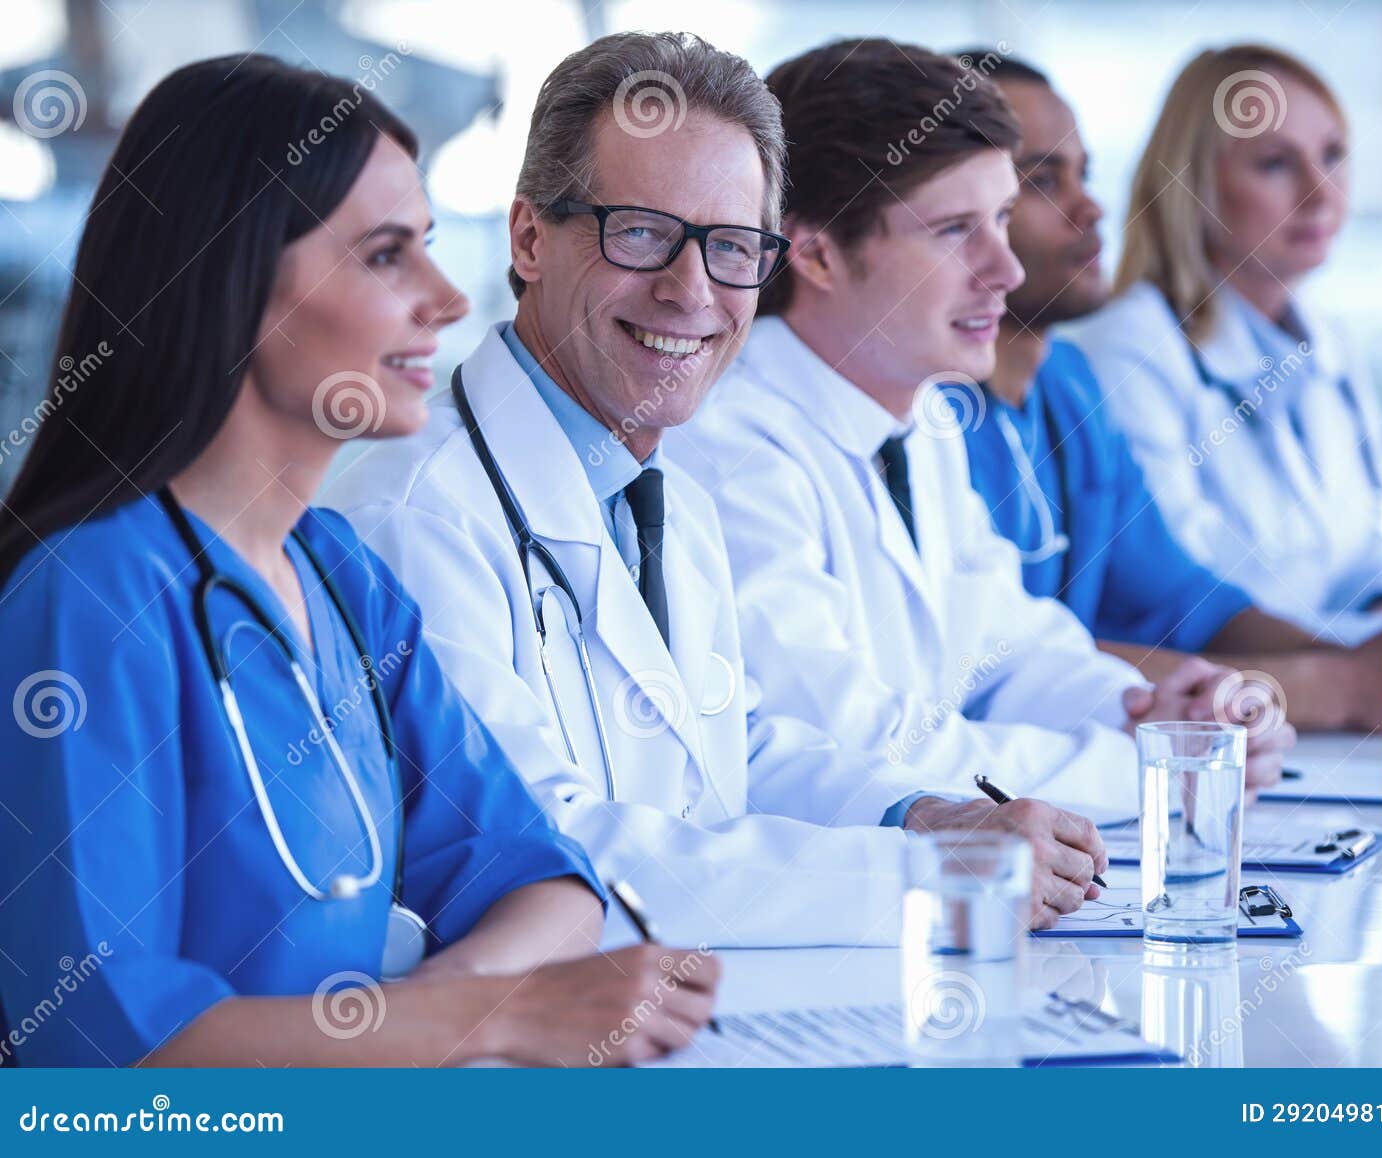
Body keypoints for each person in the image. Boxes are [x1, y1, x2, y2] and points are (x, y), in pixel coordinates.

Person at [0, 55, 716, 1068]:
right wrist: (488, 1017)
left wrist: (431, 1012)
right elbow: (97, 1043)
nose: (446, 299)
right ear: (231, 273)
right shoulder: (91, 598)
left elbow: (541, 878)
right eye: (386, 256)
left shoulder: (339, 578)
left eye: (427, 247)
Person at [323, 31, 1111, 944]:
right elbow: (545, 850)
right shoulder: (415, 517)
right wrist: (924, 879)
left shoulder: (662, 494)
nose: (690, 290)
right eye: (644, 233)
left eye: (733, 247)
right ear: (530, 237)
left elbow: (731, 754)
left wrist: (920, 818)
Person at [671, 40, 1295, 813]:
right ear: (820, 255)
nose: (1005, 269)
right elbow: (861, 743)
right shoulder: (727, 442)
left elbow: (1003, 650)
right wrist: (1152, 769)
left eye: (1002, 219)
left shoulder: (920, 415)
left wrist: (1155, 711)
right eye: (955, 230)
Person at [946, 51, 1382, 732]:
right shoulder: (949, 409)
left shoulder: (1065, 383)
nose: (1091, 206)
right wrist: (1345, 685)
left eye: (1085, 173)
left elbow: (1186, 602)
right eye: (1041, 182)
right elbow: (1001, 667)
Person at [1073, 44, 1382, 648]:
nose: (1321, 193)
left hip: (1341, 701)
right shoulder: (1127, 351)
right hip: (1233, 709)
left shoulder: (1330, 344)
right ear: (1194, 184)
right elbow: (1187, 589)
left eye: (1332, 157)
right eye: (1277, 164)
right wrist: (1364, 651)